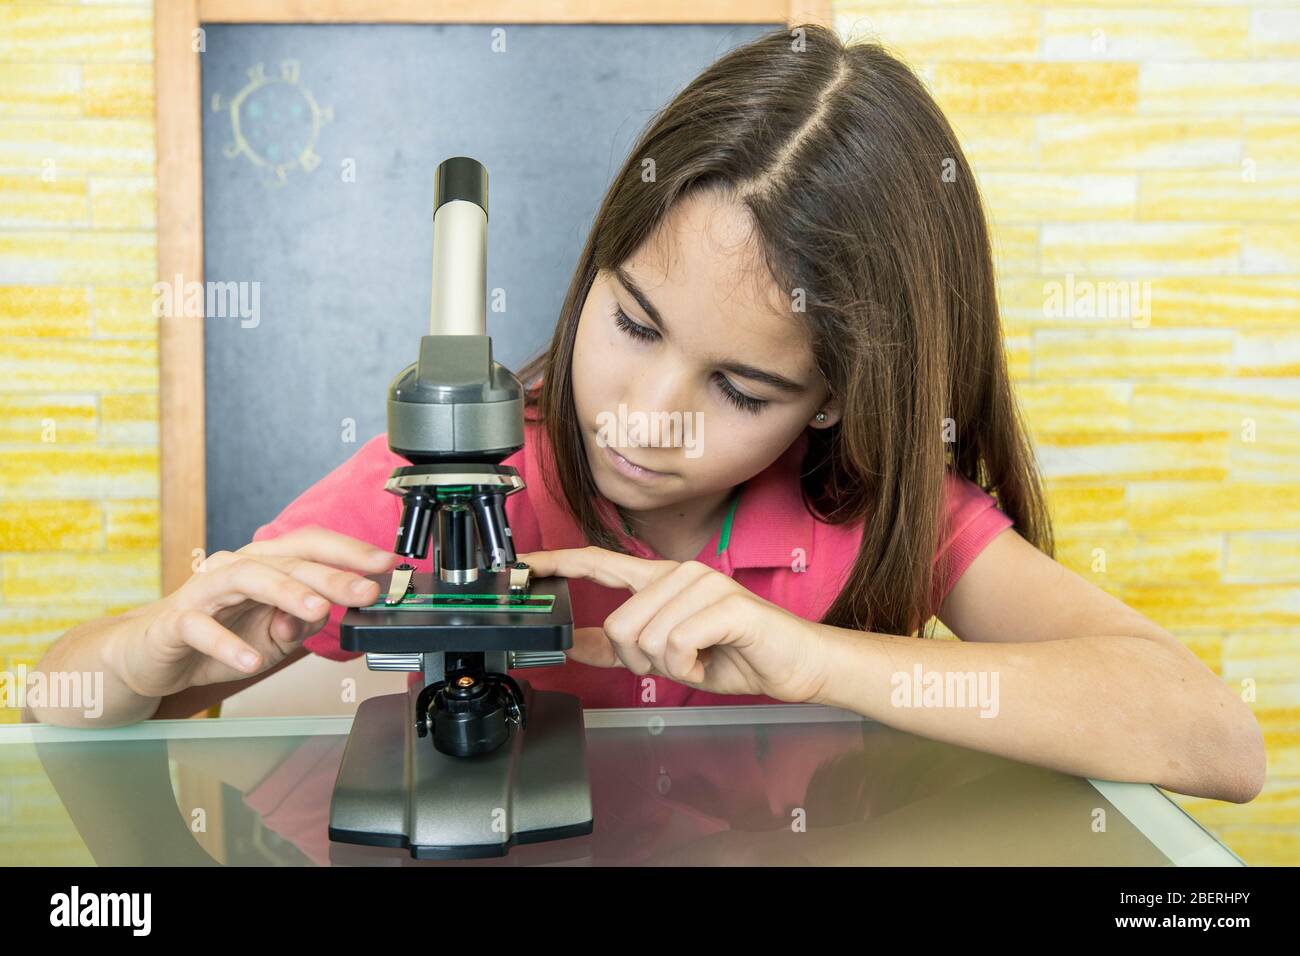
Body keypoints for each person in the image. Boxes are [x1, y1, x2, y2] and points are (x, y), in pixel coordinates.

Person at [25, 24, 1264, 804]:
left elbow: (1216, 740)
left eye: (740, 388)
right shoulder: (461, 481)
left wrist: (813, 657)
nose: (646, 420)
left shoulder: (877, 511)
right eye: (632, 321)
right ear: (595, 264)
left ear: (837, 395)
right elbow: (62, 702)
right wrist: (149, 654)